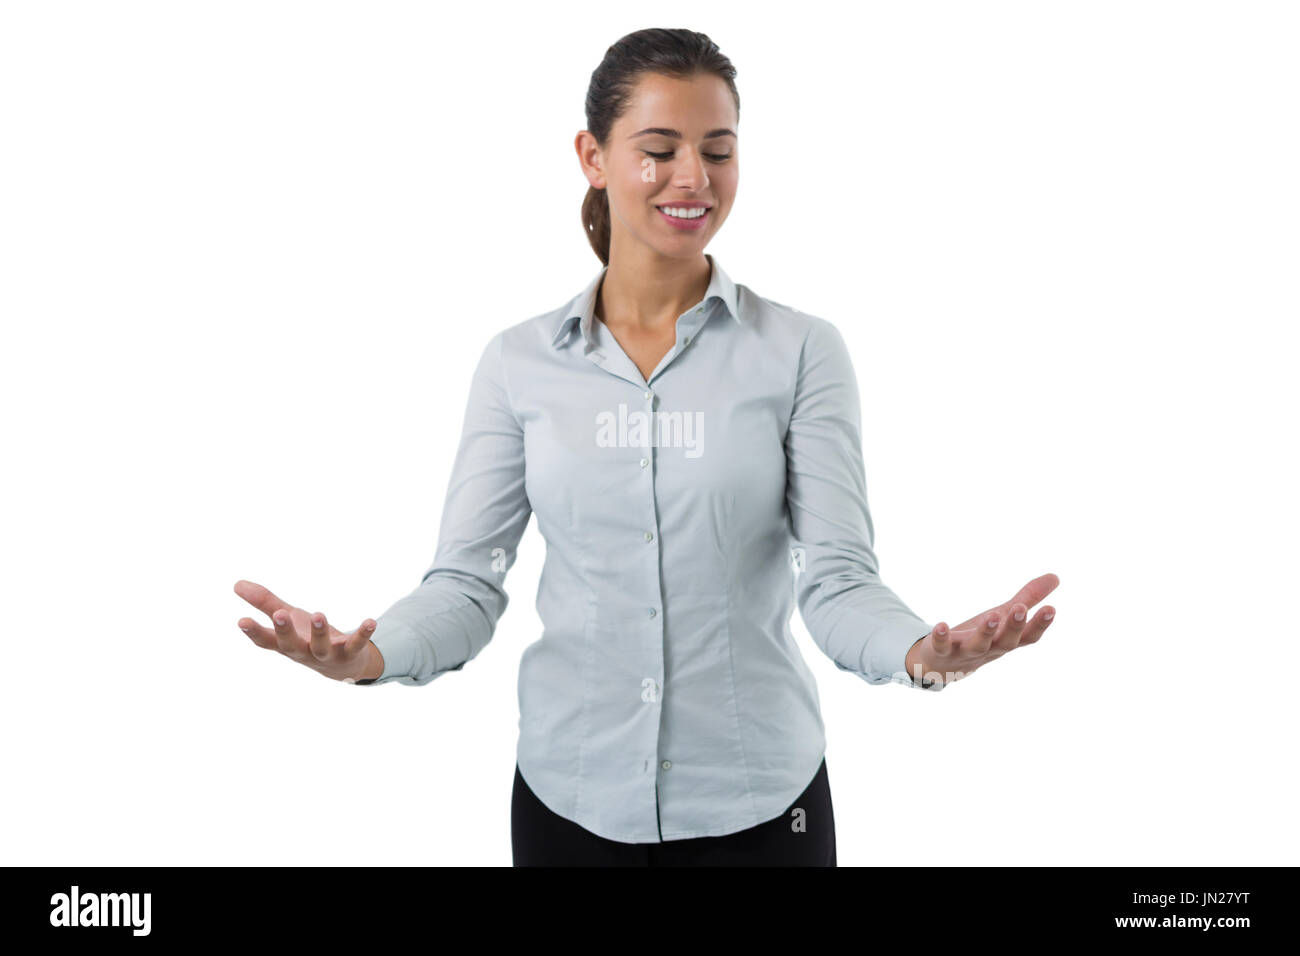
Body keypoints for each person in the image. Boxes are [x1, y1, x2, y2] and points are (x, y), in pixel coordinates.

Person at [234, 27, 1060, 867]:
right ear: (593, 156)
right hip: (569, 803)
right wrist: (368, 657)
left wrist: (923, 652)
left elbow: (839, 579)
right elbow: (467, 581)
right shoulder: (518, 364)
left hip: (764, 808)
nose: (694, 178)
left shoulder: (803, 351)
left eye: (719, 150)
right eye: (659, 150)